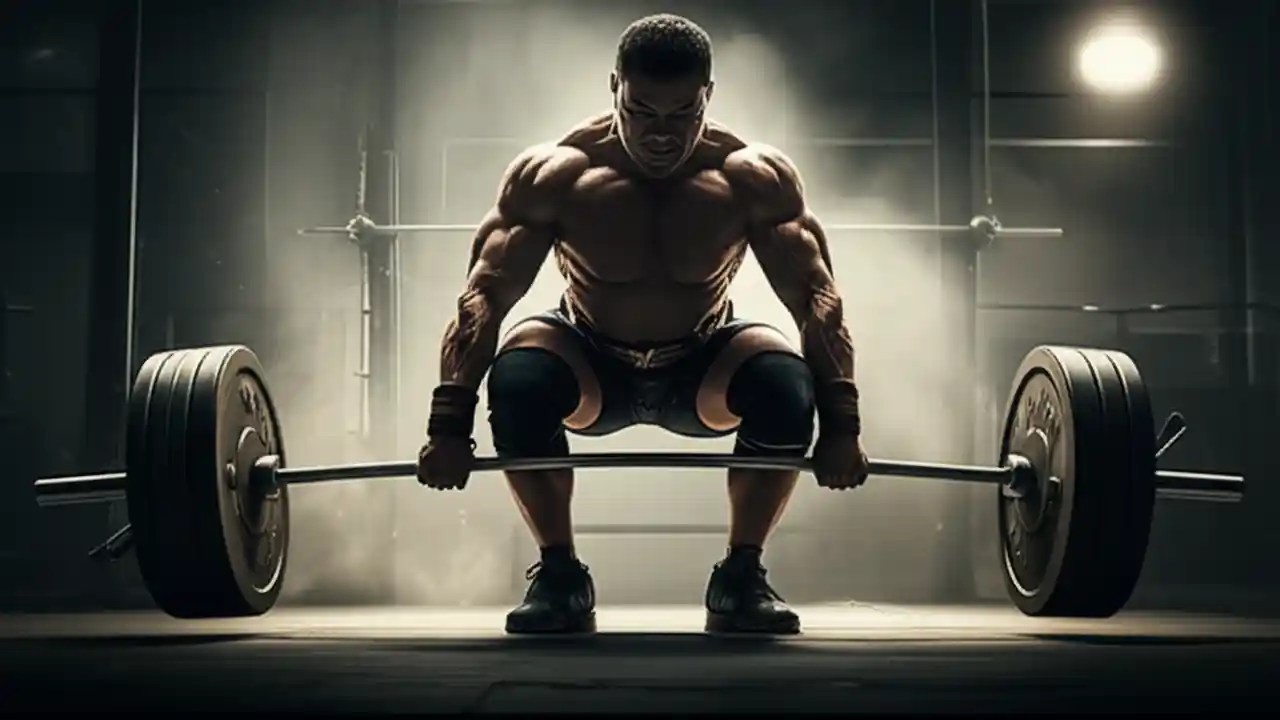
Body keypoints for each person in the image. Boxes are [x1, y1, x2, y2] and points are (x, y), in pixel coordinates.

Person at [416, 12, 870, 635]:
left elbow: (816, 300)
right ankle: (559, 577)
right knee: (519, 376)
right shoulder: (557, 175)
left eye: (682, 114)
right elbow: (484, 299)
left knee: (785, 382)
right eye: (642, 112)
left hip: (701, 366)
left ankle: (740, 577)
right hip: (590, 363)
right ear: (615, 87)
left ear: (708, 95)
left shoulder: (750, 178)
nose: (661, 134)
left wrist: (842, 426)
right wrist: (448, 427)